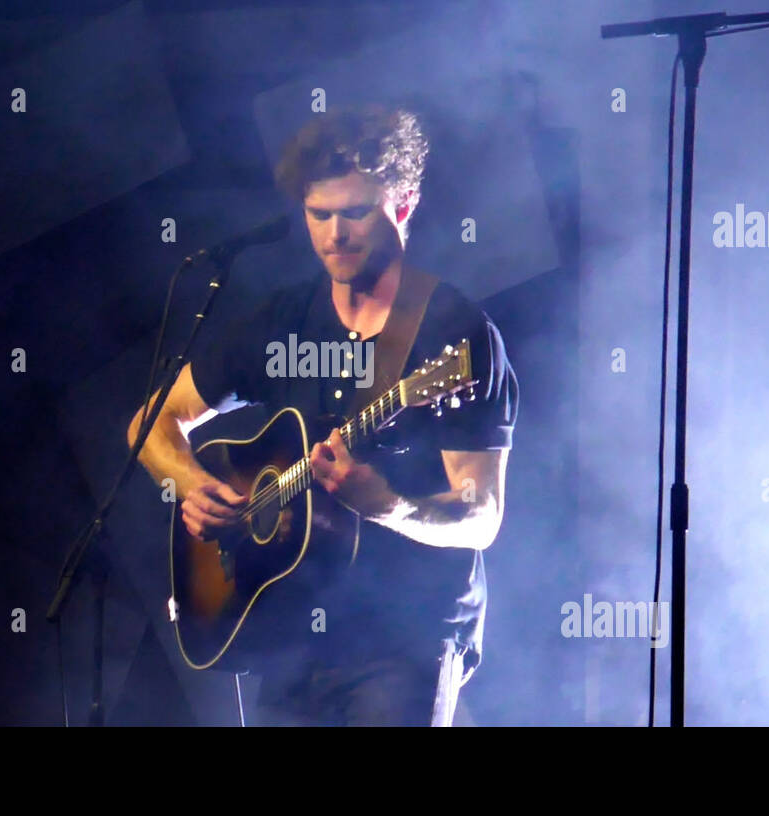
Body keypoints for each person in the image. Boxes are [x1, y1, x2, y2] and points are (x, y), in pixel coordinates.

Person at [128, 104, 518, 725]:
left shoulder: (451, 335)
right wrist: (191, 484)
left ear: (404, 205)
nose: (334, 235)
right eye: (318, 215)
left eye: (356, 212)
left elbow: (480, 518)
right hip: (289, 634)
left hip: (406, 640)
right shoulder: (284, 320)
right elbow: (152, 425)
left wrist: (389, 505)